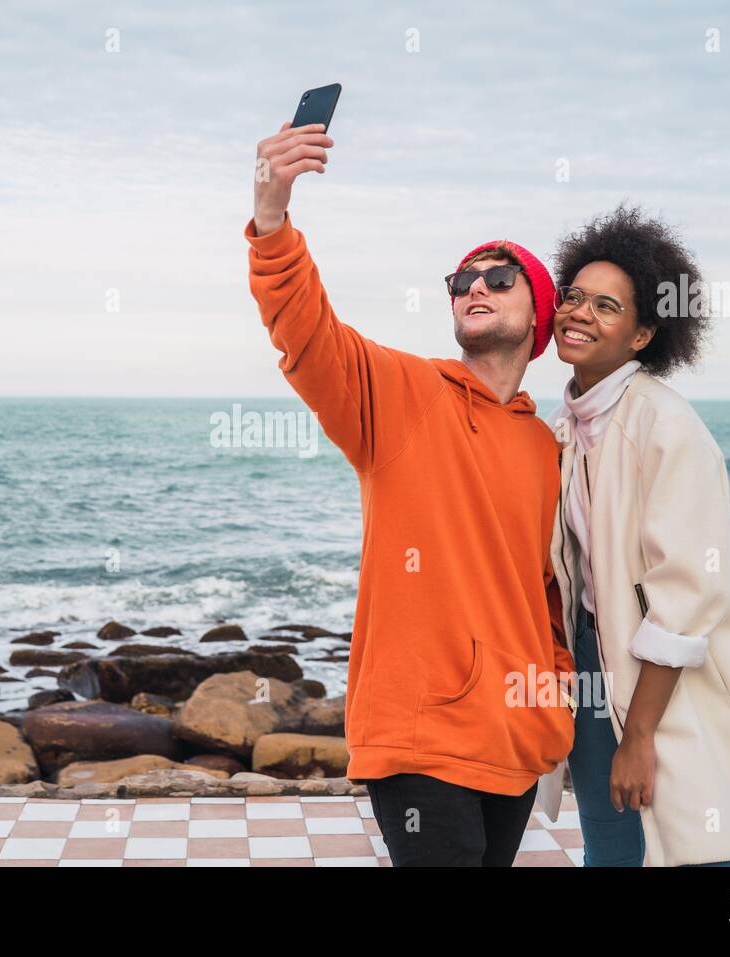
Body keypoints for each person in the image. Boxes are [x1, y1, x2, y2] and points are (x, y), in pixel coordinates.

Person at [245, 120, 574, 866]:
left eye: (498, 277)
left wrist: (551, 695)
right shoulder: (404, 394)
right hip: (421, 737)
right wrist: (272, 221)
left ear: (540, 318)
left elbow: (549, 590)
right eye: (463, 281)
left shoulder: (546, 447)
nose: (475, 287)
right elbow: (308, 334)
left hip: (517, 739)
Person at [538, 204, 730, 866]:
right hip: (595, 666)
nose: (578, 312)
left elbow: (687, 591)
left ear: (643, 334)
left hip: (670, 675)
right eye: (573, 297)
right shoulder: (566, 428)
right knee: (611, 838)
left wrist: (640, 732)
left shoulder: (665, 425)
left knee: (699, 839)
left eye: (606, 305)